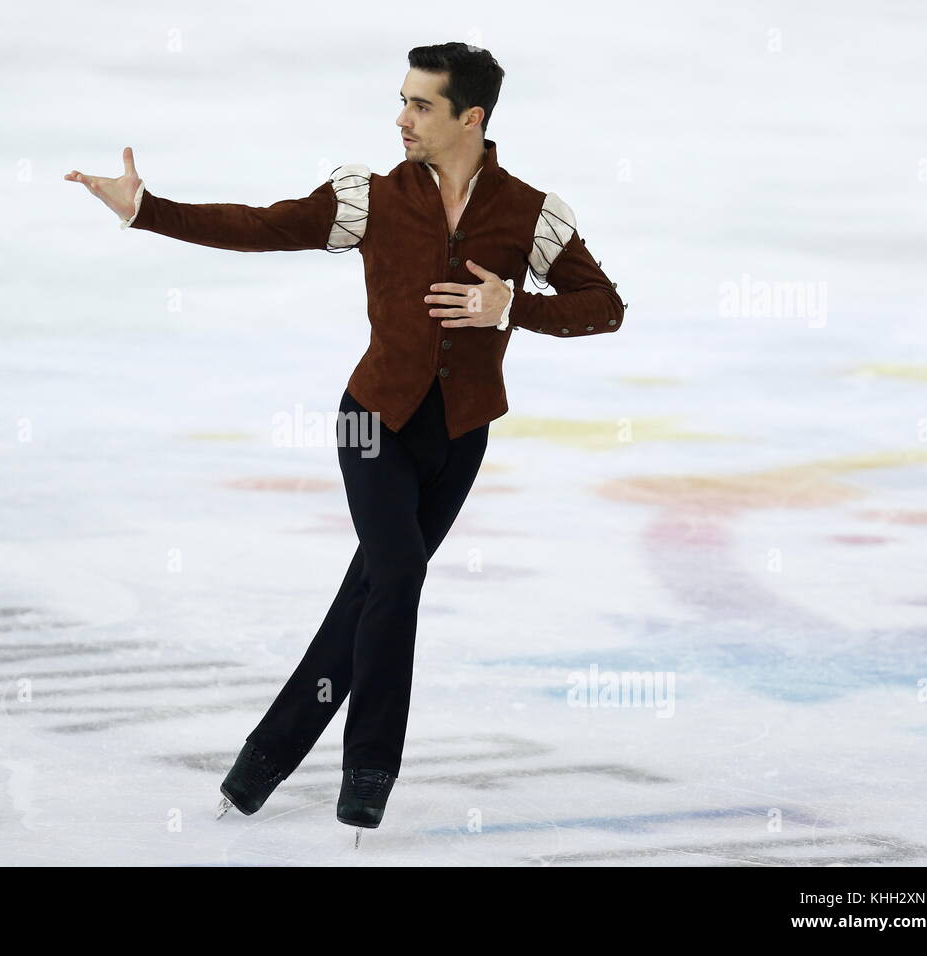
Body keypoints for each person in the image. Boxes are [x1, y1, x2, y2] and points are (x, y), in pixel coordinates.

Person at [66, 42, 626, 842]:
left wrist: (512, 308)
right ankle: (369, 772)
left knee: (372, 592)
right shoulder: (371, 198)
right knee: (396, 573)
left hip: (459, 435)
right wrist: (146, 209)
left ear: (471, 117)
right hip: (371, 419)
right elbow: (262, 227)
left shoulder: (531, 213)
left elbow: (603, 305)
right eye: (402, 101)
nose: (401, 119)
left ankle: (261, 764)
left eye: (421, 106)